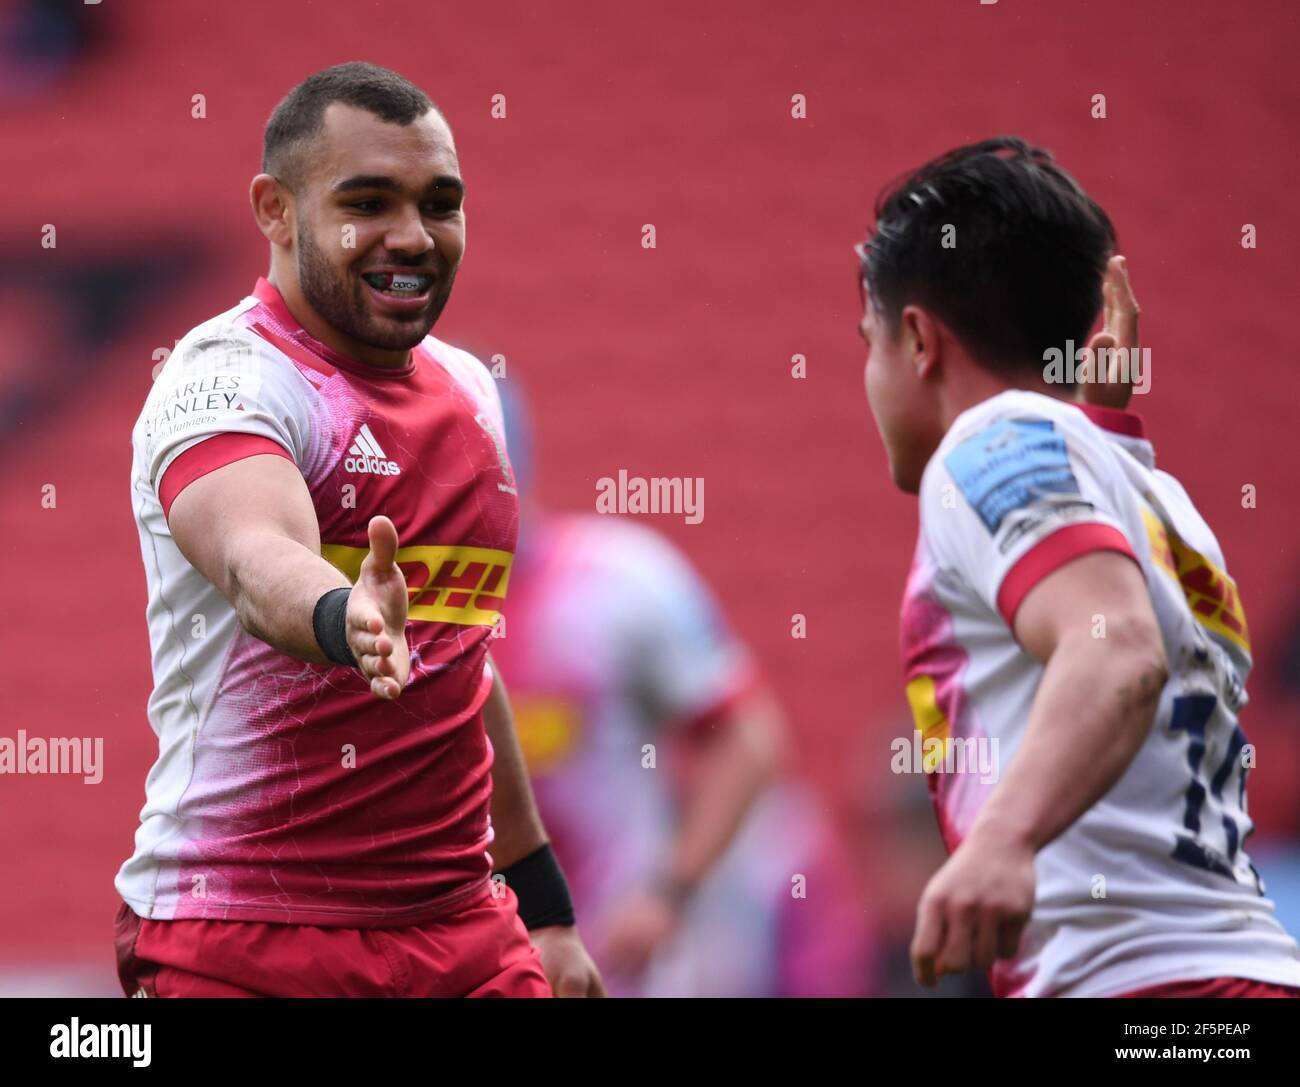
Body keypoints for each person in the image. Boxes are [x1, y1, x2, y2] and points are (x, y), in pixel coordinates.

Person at [114, 62, 602, 997]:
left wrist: (545, 910)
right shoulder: (226, 379)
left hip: (463, 932)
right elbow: (258, 560)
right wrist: (346, 616)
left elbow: (463, 659)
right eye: (368, 201)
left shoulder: (471, 390)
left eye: (440, 203)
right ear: (276, 209)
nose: (413, 237)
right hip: (243, 936)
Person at [856, 136, 1300, 997]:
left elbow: (1120, 648)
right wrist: (1094, 424)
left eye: (868, 339)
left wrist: (1001, 840)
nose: (868, 375)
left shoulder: (986, 442)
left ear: (918, 340)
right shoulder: (1158, 497)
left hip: (1143, 994)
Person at [486, 388, 875, 996]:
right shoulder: (391, 602)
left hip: (614, 968)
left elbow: (748, 739)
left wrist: (668, 889)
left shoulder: (614, 580)